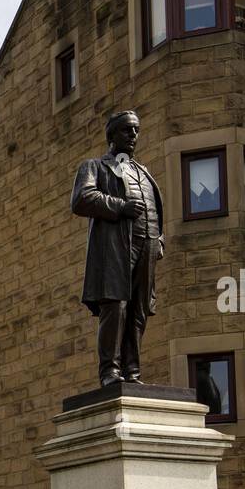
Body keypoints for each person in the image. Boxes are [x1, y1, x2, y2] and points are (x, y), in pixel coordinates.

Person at [71, 110, 165, 386]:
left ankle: (133, 372)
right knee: (116, 306)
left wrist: (160, 238)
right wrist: (120, 206)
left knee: (139, 309)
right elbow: (82, 198)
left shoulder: (144, 172)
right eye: (127, 130)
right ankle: (110, 372)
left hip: (147, 243)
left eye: (136, 130)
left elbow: (156, 209)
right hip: (116, 246)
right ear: (112, 135)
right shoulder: (95, 167)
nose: (133, 135)